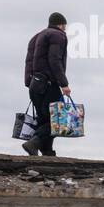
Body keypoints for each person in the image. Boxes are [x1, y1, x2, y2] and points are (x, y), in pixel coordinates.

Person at [23, 12, 72, 157]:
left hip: (35, 84)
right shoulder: (58, 35)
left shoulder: (36, 37)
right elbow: (55, 60)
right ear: (62, 24)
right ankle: (34, 143)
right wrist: (64, 84)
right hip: (48, 84)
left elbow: (28, 62)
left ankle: (47, 152)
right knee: (57, 120)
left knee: (45, 119)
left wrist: (29, 83)